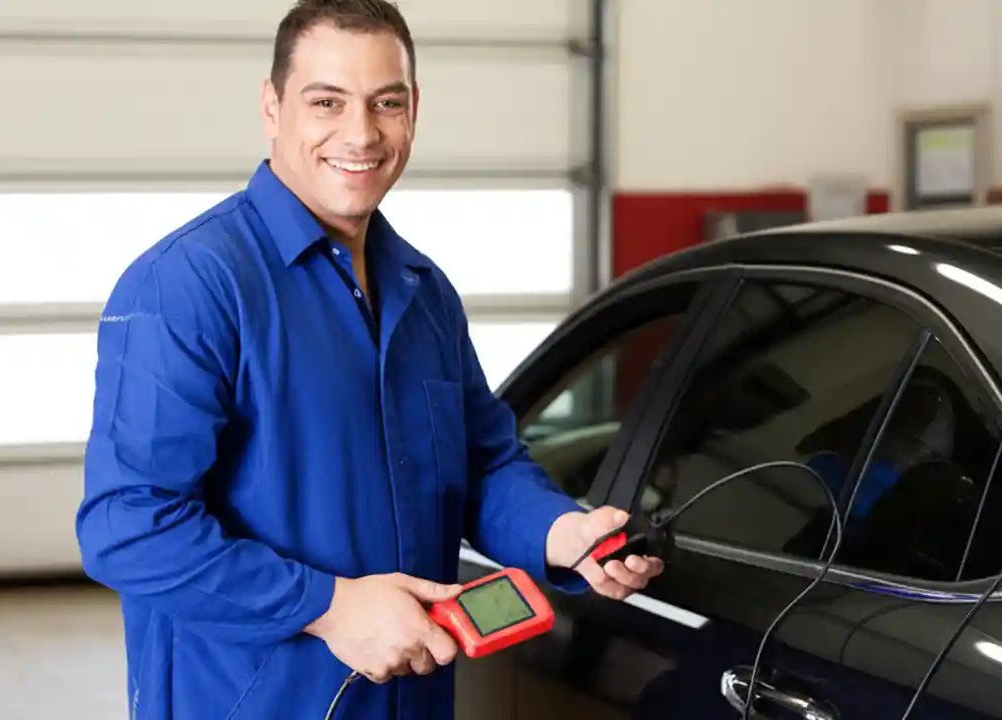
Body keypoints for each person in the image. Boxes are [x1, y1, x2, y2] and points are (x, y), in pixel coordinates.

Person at [75, 1, 664, 718]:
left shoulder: (423, 291)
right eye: (327, 102)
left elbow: (482, 465)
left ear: (413, 110)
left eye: (386, 103)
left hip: (411, 698)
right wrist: (327, 606)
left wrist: (560, 533)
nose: (360, 133)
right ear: (272, 106)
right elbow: (129, 527)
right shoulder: (192, 283)